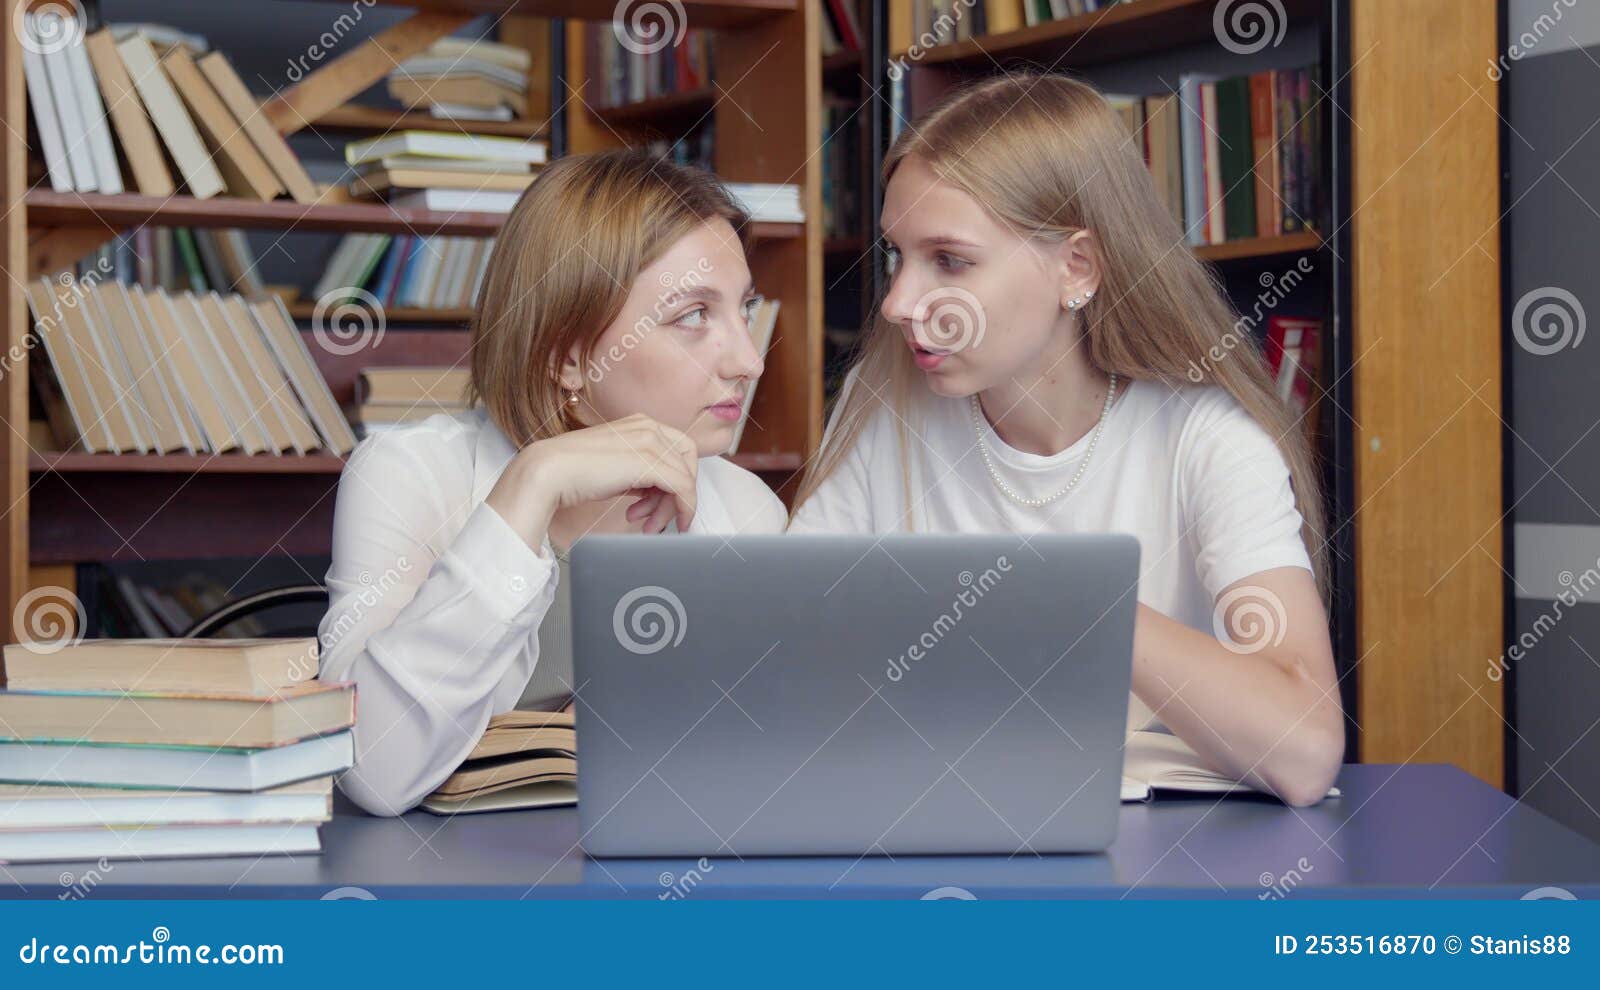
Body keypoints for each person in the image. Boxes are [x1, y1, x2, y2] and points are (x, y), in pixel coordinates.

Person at [789, 73, 1343, 807]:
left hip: (1152, 853)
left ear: (1076, 267)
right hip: (927, 822)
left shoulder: (1207, 438)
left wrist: (1071, 597)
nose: (897, 302)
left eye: (949, 260)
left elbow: (1305, 753)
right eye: (898, 255)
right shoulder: (882, 401)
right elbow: (787, 655)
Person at [319, 150, 786, 816]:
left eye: (745, 309)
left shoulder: (746, 511)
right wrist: (532, 484)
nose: (748, 360)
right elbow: (371, 771)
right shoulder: (407, 474)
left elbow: (763, 765)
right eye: (693, 316)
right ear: (568, 357)